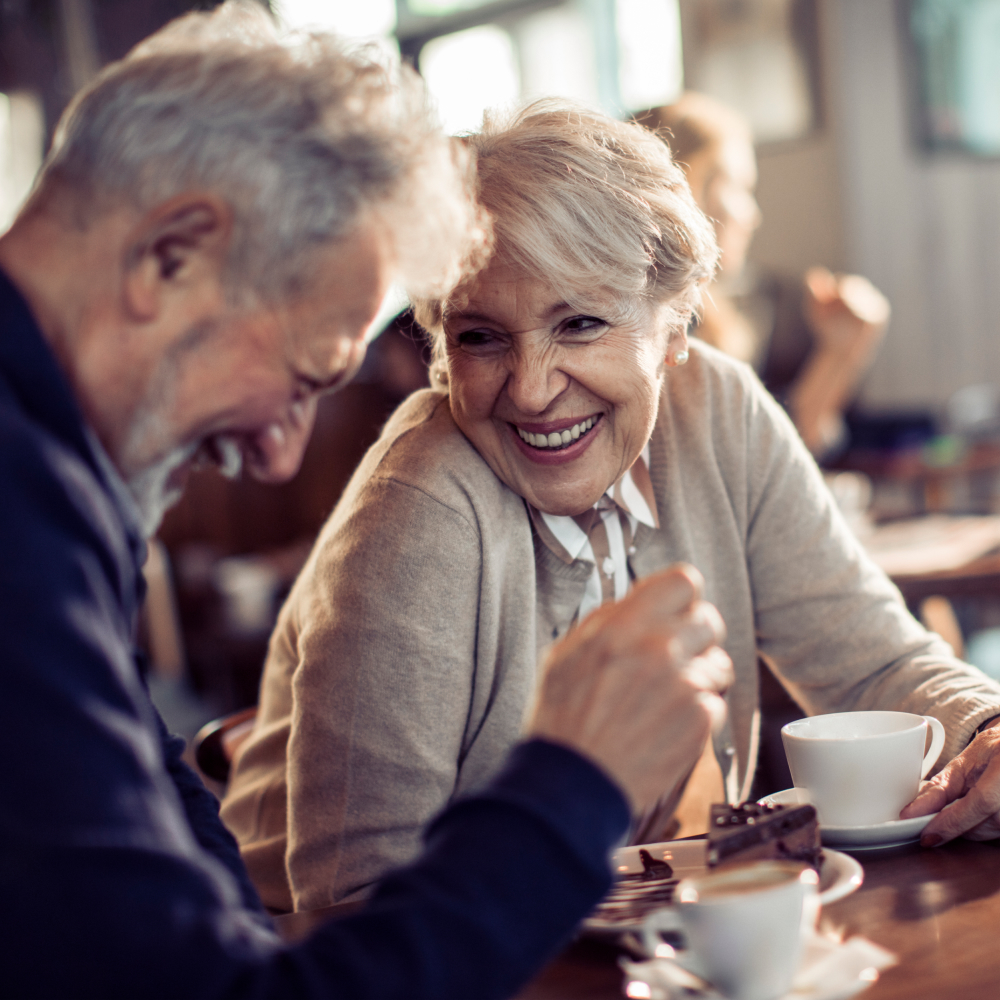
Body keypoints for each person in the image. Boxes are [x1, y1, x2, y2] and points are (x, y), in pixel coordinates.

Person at [0, 6, 736, 998]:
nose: (276, 455)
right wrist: (574, 780)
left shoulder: (58, 488)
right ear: (171, 256)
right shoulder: (20, 521)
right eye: (306, 375)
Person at [222, 99, 1000, 913]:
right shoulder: (420, 506)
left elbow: (874, 663)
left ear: (673, 330)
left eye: (580, 323)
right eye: (479, 336)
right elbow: (353, 902)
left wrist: (987, 729)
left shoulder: (720, 412)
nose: (529, 390)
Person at [638, 92, 891, 459]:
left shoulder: (719, 319)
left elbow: (773, 463)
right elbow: (739, 471)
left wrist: (841, 353)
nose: (751, 215)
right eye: (739, 188)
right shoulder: (646, 329)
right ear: (684, 190)